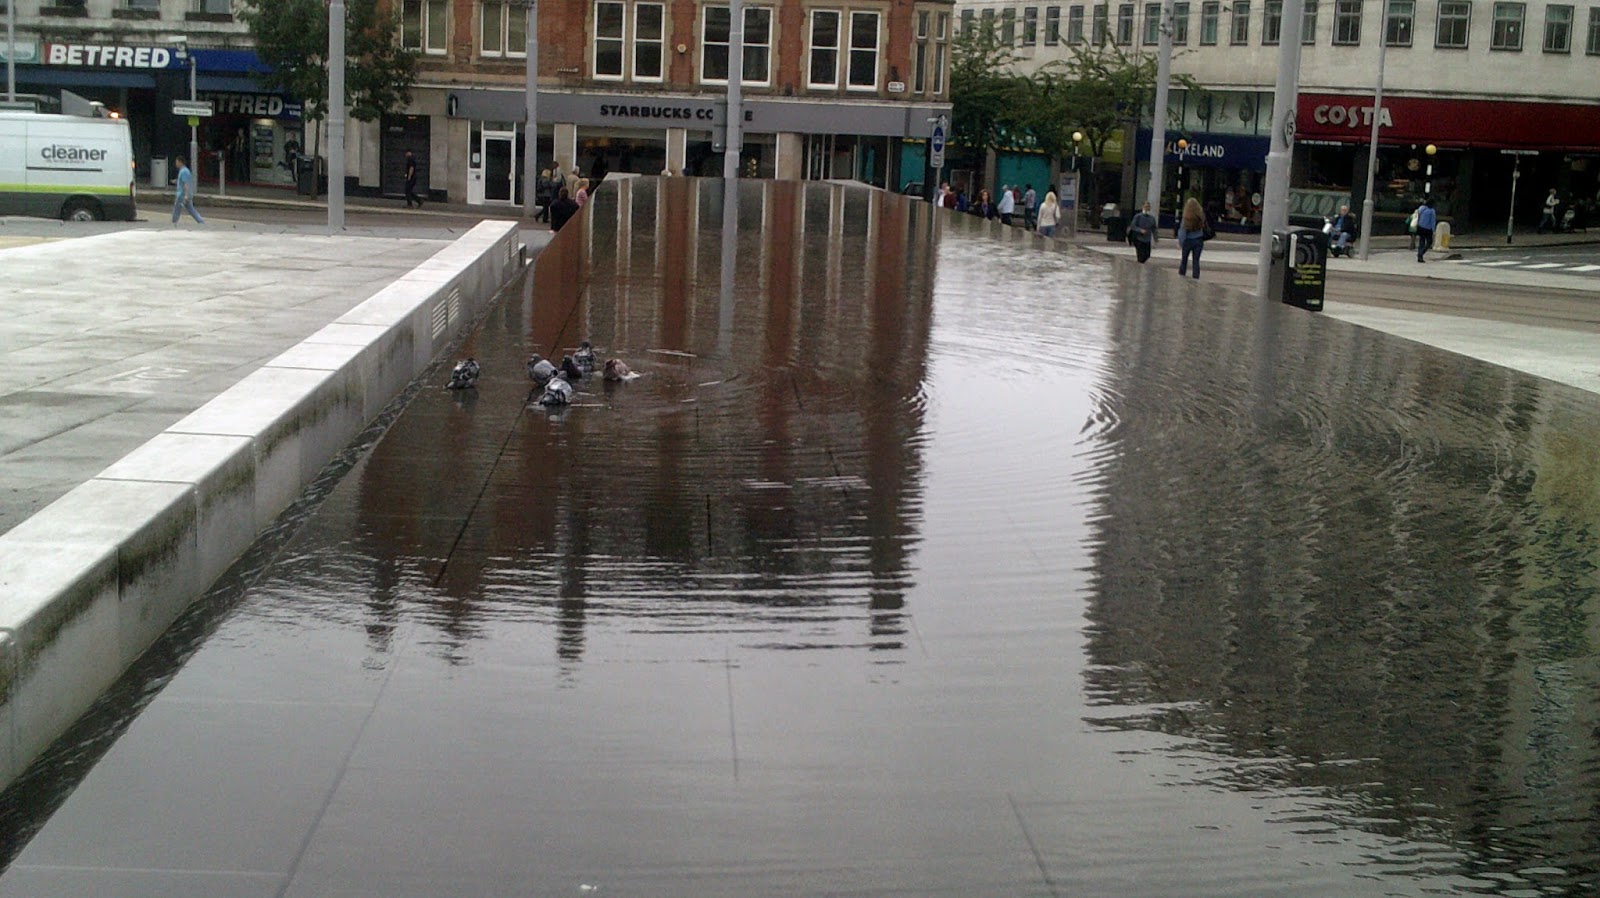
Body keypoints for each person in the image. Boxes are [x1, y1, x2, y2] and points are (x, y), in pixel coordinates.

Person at [1177, 197, 1207, 279]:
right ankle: (1196, 277)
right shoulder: (1201, 217)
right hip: (1198, 240)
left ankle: (1182, 275)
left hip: (1188, 241)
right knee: (1196, 261)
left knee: (1184, 260)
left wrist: (1180, 242)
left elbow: (1183, 231)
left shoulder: (1186, 218)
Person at [171, 155, 204, 225]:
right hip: (186, 194)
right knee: (191, 209)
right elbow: (183, 181)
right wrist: (176, 181)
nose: (176, 164)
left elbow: (186, 184)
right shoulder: (185, 171)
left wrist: (186, 195)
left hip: (182, 194)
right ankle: (200, 221)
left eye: (177, 162)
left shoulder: (184, 171)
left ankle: (174, 222)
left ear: (180, 162)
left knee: (176, 209)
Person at [1414, 197, 1437, 262]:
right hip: (1428, 229)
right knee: (1429, 242)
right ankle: (1421, 253)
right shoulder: (1432, 211)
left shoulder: (1421, 208)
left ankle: (1420, 253)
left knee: (1421, 241)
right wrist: (1434, 230)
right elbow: (1432, 221)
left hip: (1420, 227)